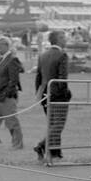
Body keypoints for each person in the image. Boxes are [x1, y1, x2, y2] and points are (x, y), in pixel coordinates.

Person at [34, 30, 71, 164]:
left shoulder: (43, 55)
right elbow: (62, 79)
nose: (65, 39)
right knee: (58, 125)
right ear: (57, 40)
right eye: (63, 37)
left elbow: (38, 77)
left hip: (45, 94)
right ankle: (42, 146)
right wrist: (65, 94)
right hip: (57, 95)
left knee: (52, 124)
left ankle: (55, 152)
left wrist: (39, 94)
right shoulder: (62, 55)